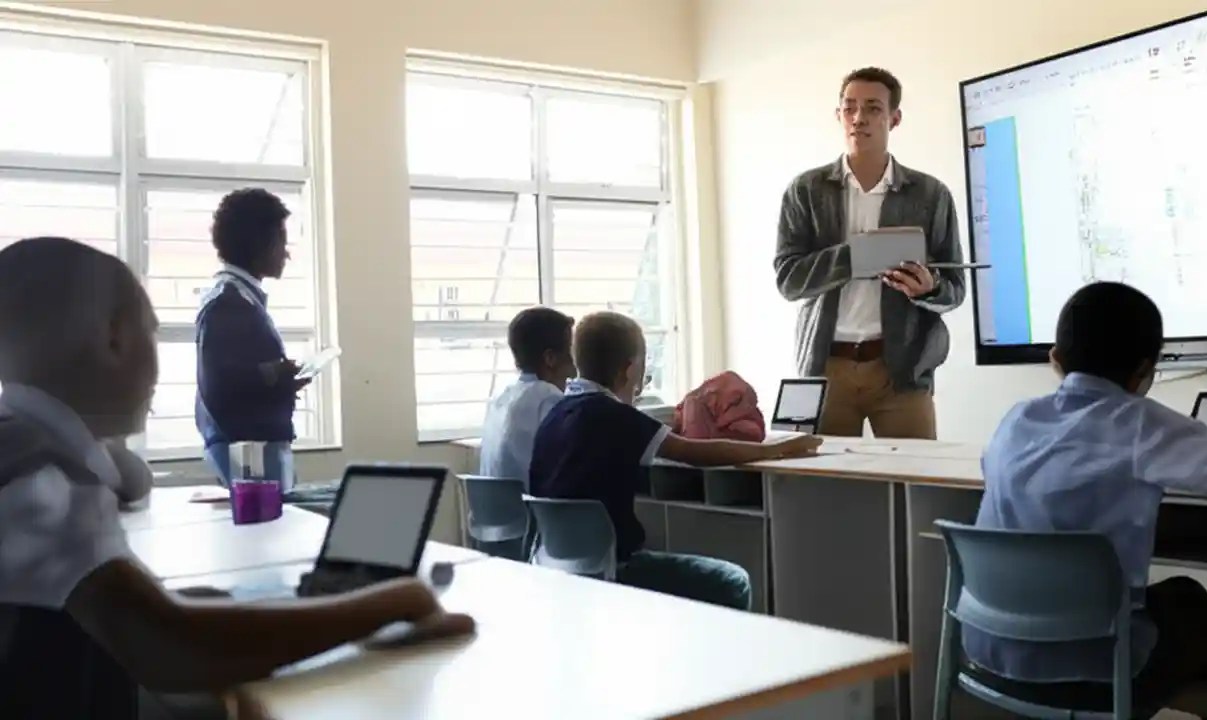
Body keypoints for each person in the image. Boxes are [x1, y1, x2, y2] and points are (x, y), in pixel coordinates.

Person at [0, 237, 473, 719]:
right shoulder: (41, 483)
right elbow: (169, 646)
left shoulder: (23, 446)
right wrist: (395, 601)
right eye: (154, 333)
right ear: (115, 337)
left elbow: (128, 506)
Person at [965, 281, 1207, 720]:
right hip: (1091, 672)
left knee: (1184, 596)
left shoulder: (1015, 420)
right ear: (1144, 371)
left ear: (1056, 359)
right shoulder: (1137, 422)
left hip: (990, 655)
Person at [528, 311, 823, 610]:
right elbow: (695, 453)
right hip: (614, 569)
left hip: (551, 564)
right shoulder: (617, 417)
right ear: (629, 371)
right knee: (732, 581)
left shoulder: (553, 416)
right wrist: (775, 449)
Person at [774, 67, 966, 439]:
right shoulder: (805, 191)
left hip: (902, 371)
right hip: (826, 367)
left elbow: (955, 287)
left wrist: (929, 288)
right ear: (838, 115)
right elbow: (788, 281)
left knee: (914, 482)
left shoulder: (930, 195)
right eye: (850, 107)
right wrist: (859, 255)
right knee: (822, 487)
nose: (859, 118)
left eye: (874, 108)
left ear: (894, 119)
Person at [196, 188, 306, 490]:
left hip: (253, 446)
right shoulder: (229, 302)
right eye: (282, 240)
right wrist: (277, 375)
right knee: (267, 532)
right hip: (248, 452)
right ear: (261, 243)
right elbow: (222, 385)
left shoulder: (240, 298)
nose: (286, 252)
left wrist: (281, 377)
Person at [479, 307, 576, 487]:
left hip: (496, 513)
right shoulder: (548, 398)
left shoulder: (500, 398)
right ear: (550, 358)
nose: (576, 361)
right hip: (532, 513)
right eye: (572, 350)